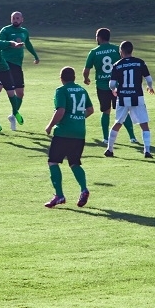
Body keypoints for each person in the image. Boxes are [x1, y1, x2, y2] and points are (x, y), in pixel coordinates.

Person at [44, 66, 94, 208]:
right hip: (79, 132)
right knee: (74, 163)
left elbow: (60, 111)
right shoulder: (82, 90)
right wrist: (78, 118)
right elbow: (90, 110)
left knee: (53, 162)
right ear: (74, 77)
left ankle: (59, 195)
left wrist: (49, 126)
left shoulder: (61, 90)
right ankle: (84, 189)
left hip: (64, 132)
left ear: (61, 78)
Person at [0, 11, 40, 130]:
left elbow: (28, 43)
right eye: (13, 18)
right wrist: (13, 45)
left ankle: (13, 115)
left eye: (17, 18)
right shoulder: (5, 31)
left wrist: (35, 55)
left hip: (17, 66)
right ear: (11, 19)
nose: (15, 20)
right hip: (4, 64)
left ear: (22, 19)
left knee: (20, 93)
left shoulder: (24, 31)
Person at [83, 27, 138, 145]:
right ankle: (132, 137)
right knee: (123, 111)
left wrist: (86, 78)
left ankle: (105, 138)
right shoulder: (116, 49)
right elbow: (126, 62)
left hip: (102, 86)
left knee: (106, 111)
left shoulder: (94, 52)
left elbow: (86, 70)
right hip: (118, 85)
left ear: (99, 37)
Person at [104, 41, 154, 159]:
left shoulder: (117, 65)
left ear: (121, 51)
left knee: (118, 123)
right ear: (132, 50)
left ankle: (109, 150)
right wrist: (150, 87)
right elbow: (149, 79)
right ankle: (147, 151)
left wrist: (114, 89)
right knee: (144, 124)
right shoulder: (140, 62)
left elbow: (111, 84)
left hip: (123, 97)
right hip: (137, 96)